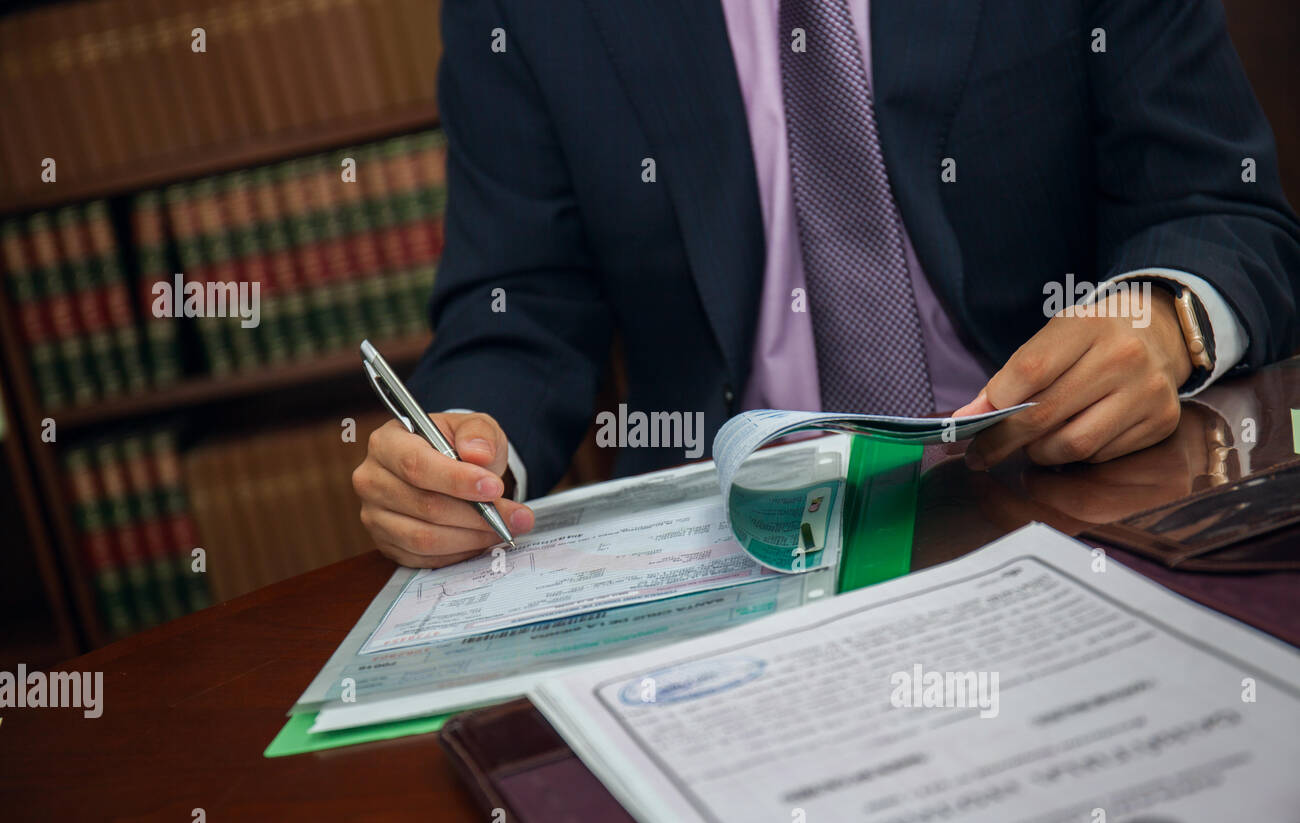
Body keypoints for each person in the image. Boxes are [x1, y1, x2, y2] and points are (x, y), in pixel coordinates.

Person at [353, 0, 1300, 569]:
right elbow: (517, 301)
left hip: (1066, 489)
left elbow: (1225, 209)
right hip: (727, 552)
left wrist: (1165, 322)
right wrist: (465, 447)